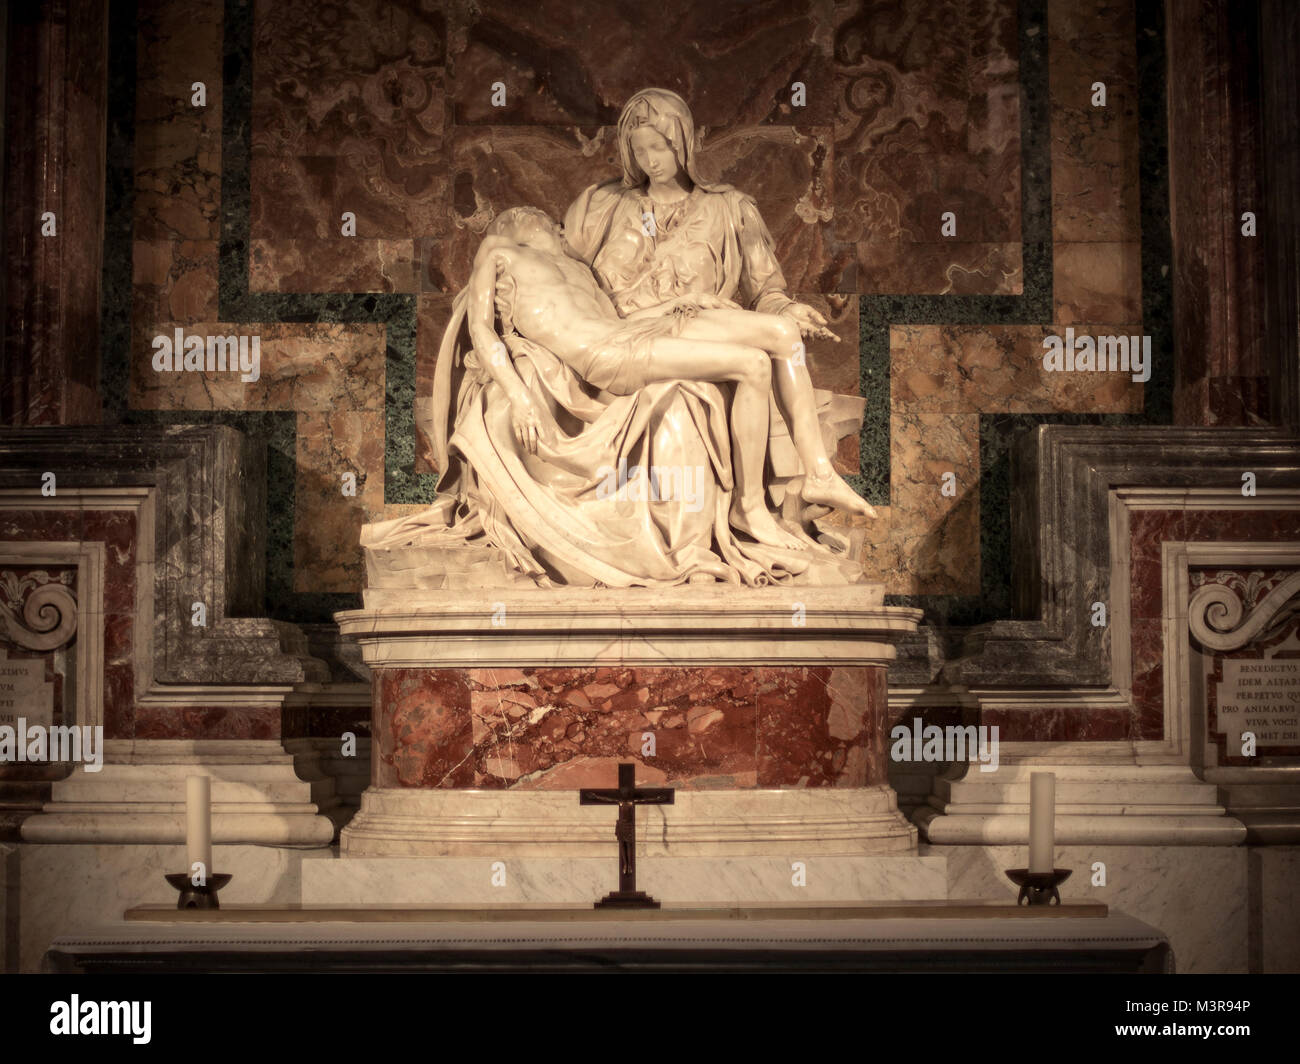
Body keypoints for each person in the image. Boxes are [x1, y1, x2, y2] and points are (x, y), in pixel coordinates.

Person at [468, 206, 868, 548]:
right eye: (540, 218)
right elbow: (481, 330)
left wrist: (682, 302)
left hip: (626, 334)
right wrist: (519, 397)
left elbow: (614, 320)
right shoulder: (498, 251)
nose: (556, 226)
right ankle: (750, 509)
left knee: (782, 332)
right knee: (753, 365)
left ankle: (819, 473)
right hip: (607, 355)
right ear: (518, 224)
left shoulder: (577, 270)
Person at [564, 87, 876, 521]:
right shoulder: (602, 206)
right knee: (759, 351)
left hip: (694, 326)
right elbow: (559, 273)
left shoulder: (732, 209)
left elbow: (764, 289)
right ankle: (783, 493)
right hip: (625, 335)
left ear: (684, 143)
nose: (650, 160)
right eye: (639, 149)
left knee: (783, 332)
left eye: (660, 147)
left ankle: (817, 475)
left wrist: (785, 308)